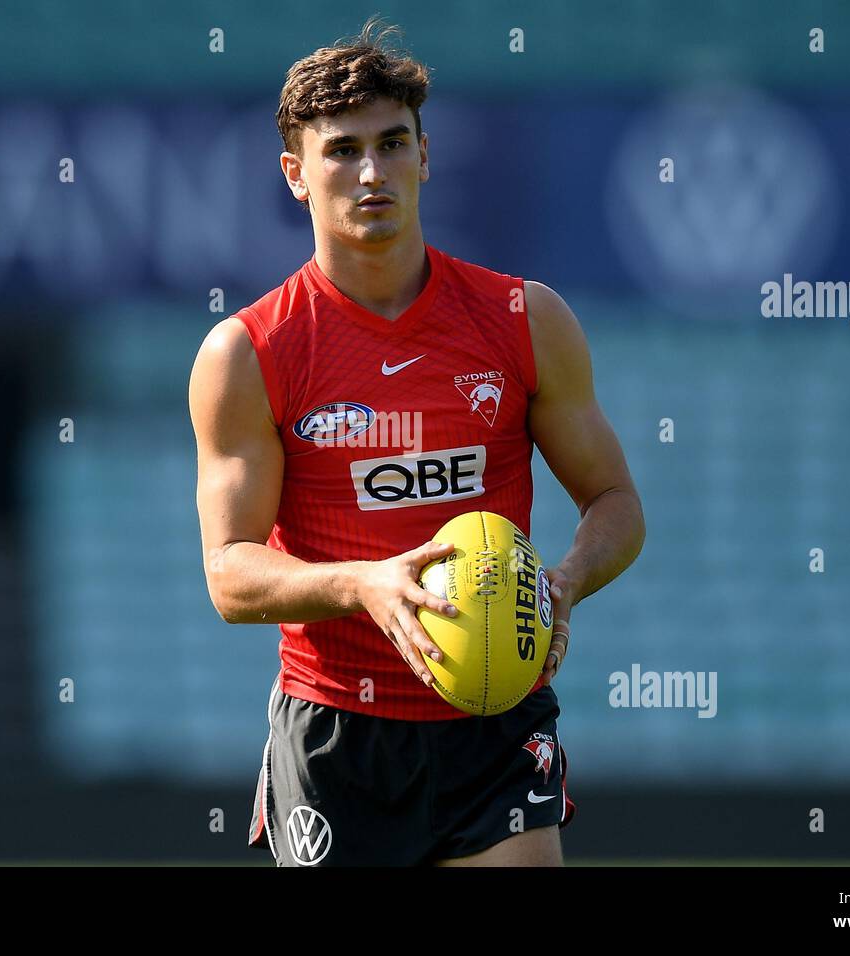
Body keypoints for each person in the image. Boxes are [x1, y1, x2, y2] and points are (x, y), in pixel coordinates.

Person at [188, 18, 644, 866]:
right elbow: (229, 575)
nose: (372, 172)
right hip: (337, 734)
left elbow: (616, 503)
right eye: (342, 150)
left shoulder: (525, 321)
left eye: (393, 143)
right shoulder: (248, 353)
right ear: (295, 174)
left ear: (426, 156)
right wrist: (365, 583)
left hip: (495, 717)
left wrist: (568, 580)